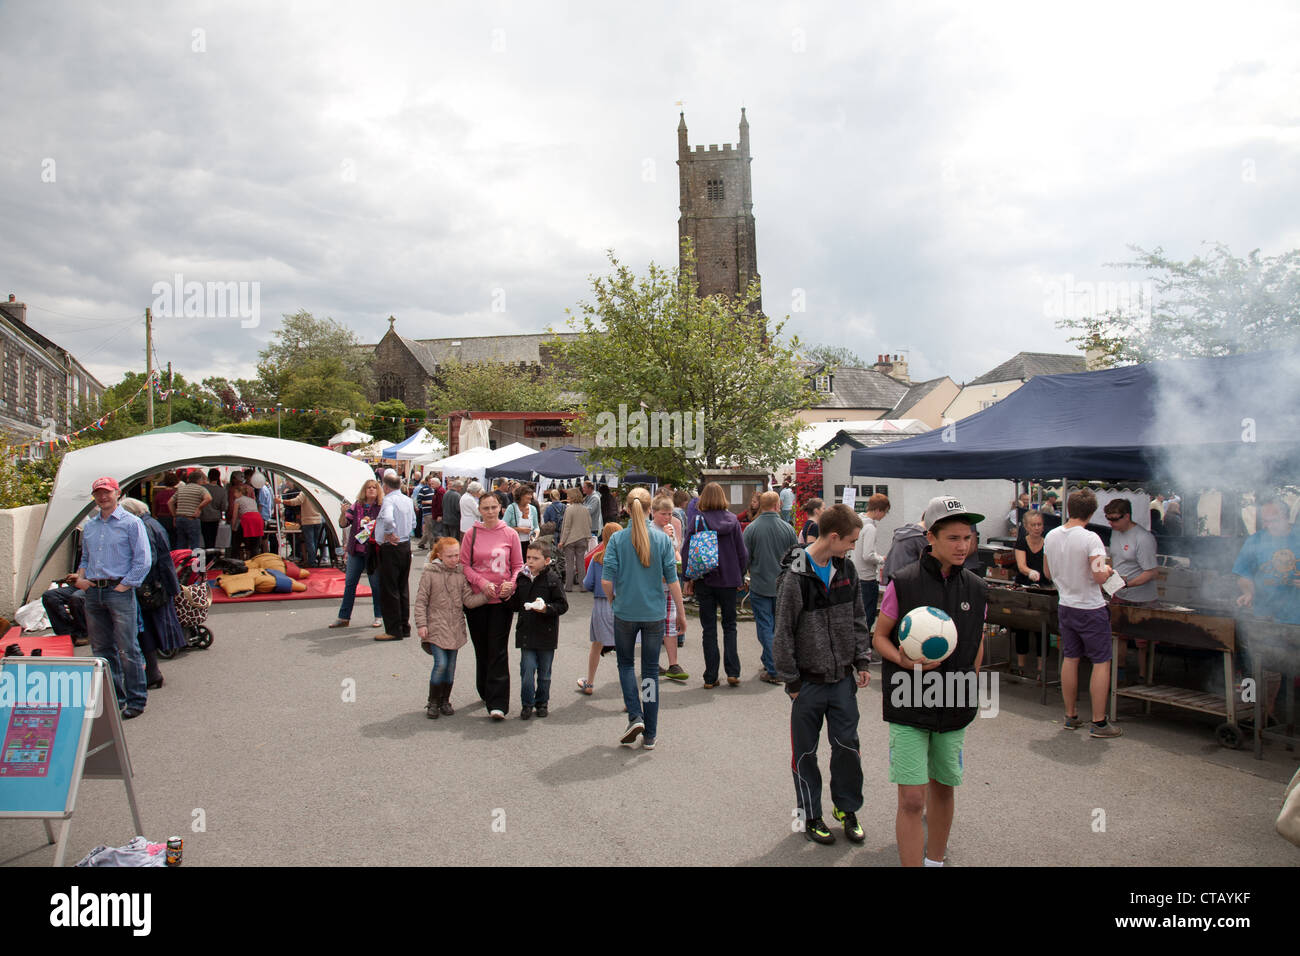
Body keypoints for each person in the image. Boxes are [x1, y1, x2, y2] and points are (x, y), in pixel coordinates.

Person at [872, 496, 987, 865]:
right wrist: (902, 660)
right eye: (953, 537)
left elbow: (977, 642)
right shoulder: (903, 584)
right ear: (931, 538)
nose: (962, 545)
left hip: (954, 702)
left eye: (967, 538)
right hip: (909, 702)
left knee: (944, 789)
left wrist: (971, 682)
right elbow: (879, 637)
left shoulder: (977, 588)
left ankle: (935, 861)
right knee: (911, 799)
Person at [774, 503, 871, 846]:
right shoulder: (795, 576)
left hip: (842, 679)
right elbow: (783, 631)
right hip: (808, 684)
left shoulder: (847, 570)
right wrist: (793, 682)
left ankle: (847, 809)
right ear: (833, 537)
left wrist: (861, 660)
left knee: (847, 747)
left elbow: (859, 617)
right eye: (851, 541)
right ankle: (810, 814)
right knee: (805, 754)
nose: (852, 547)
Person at [602, 488, 687, 748]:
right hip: (654, 614)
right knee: (650, 672)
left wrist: (613, 601)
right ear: (651, 508)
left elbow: (607, 580)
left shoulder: (617, 539)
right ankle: (650, 733)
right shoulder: (662, 540)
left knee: (626, 666)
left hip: (625, 612)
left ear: (626, 509)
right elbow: (673, 581)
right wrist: (681, 615)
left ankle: (634, 715)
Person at [1043, 489, 1121, 738]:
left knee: (1071, 658)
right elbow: (1099, 575)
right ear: (1091, 512)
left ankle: (1070, 715)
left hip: (1065, 604)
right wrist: (1108, 570)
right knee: (1100, 662)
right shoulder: (1091, 539)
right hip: (1090, 607)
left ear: (1068, 509)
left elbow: (1047, 572)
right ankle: (1099, 722)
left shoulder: (1051, 535)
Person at [74, 477, 152, 719]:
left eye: (107, 492)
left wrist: (125, 585)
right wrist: (81, 579)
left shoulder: (131, 523)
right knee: (101, 649)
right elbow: (85, 558)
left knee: (128, 648)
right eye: (98, 493)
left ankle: (136, 700)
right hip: (93, 592)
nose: (103, 497)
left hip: (118, 590)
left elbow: (143, 560)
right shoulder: (90, 526)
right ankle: (115, 700)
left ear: (117, 493)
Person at [461, 490, 524, 719]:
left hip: (501, 601)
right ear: (479, 510)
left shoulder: (510, 534)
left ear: (501, 508)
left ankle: (498, 703)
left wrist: (512, 584)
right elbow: (465, 565)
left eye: (493, 507)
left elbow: (518, 565)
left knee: (497, 650)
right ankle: (485, 689)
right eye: (485, 508)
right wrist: (481, 581)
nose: (489, 512)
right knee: (482, 648)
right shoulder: (471, 534)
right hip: (478, 600)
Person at [681, 482, 749, 688]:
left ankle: (710, 677)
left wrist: (688, 578)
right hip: (728, 580)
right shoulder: (732, 521)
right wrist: (741, 575)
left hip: (705, 579)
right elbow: (742, 553)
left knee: (708, 629)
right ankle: (733, 672)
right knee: (730, 626)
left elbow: (687, 551)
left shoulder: (697, 520)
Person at [414, 537, 488, 718]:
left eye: (457, 555)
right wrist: (422, 624)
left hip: (455, 626)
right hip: (436, 626)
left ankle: (445, 700)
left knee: (451, 666)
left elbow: (468, 601)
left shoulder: (460, 574)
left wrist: (487, 595)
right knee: (441, 664)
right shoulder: (429, 574)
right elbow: (421, 601)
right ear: (439, 555)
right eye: (450, 556)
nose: (454, 559)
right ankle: (433, 701)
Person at [119, 497, 188, 688]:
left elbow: (148, 559)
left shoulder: (143, 526)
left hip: (149, 586)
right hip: (158, 583)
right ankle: (151, 671)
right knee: (151, 628)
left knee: (146, 630)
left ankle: (151, 672)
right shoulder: (152, 523)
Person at [508, 539, 569, 719]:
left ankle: (542, 702)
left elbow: (562, 605)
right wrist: (507, 595)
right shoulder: (522, 578)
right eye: (528, 557)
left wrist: (546, 609)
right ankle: (527, 703)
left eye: (535, 558)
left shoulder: (552, 579)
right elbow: (515, 605)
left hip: (546, 633)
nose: (531, 562)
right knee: (527, 671)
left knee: (544, 673)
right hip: (526, 632)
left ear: (547, 560)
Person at [744, 490, 798, 684]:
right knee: (779, 627)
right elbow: (796, 559)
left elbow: (745, 558)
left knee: (765, 626)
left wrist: (745, 574)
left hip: (759, 583)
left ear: (761, 505)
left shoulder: (751, 529)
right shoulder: (788, 528)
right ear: (777, 505)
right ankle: (774, 662)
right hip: (783, 584)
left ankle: (772, 665)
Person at [1104, 499, 1159, 681]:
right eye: (1108, 519)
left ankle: (1145, 677)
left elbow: (1151, 572)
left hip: (1142, 597)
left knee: (1144, 641)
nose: (1111, 523)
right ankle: (1119, 675)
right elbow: (1114, 559)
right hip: (1119, 593)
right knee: (1118, 635)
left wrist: (1129, 583)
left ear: (1127, 516)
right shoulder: (1115, 532)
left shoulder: (1143, 538)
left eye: (1115, 519)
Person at [332, 479, 385, 629]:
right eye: (368, 487)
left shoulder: (381, 507)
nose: (371, 490)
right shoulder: (357, 505)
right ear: (364, 490)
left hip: (373, 551)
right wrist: (343, 513)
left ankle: (378, 616)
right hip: (356, 550)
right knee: (350, 584)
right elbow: (343, 524)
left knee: (375, 585)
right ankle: (343, 617)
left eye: (374, 487)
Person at [578, 522, 622, 695]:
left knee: (596, 645)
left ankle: (589, 683)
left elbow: (588, 583)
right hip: (622, 604)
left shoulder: (598, 559)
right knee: (624, 651)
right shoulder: (626, 559)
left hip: (601, 605)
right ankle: (628, 691)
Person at [374, 473, 416, 642]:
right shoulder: (407, 499)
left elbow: (388, 518)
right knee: (402, 587)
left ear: (385, 486)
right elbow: (413, 522)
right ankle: (404, 626)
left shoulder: (389, 500)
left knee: (390, 588)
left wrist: (389, 533)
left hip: (392, 547)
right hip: (405, 544)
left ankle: (393, 629)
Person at [650, 494, 689, 681]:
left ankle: (673, 664)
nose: (667, 518)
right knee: (654, 625)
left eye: (670, 514)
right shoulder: (649, 530)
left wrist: (676, 553)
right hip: (654, 584)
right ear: (653, 513)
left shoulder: (671, 527)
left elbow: (674, 551)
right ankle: (652, 663)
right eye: (664, 514)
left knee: (670, 623)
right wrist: (664, 538)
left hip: (670, 582)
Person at [1009, 509, 1052, 677]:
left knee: (1043, 630)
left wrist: (1047, 577)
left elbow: (1048, 568)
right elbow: (1021, 565)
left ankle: (1042, 669)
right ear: (1026, 526)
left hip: (1043, 588)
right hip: (1024, 585)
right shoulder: (1021, 542)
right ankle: (1021, 665)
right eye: (1033, 525)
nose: (1037, 527)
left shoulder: (1048, 542)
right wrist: (1030, 572)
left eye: (1039, 524)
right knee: (1022, 627)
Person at [851, 493, 890, 634]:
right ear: (879, 510)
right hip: (867, 577)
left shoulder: (858, 522)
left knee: (858, 613)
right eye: (885, 512)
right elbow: (867, 555)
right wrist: (882, 559)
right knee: (868, 614)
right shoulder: (870, 528)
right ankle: (863, 646)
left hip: (856, 573)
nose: (884, 516)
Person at [281, 485, 323, 568]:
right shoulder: (318, 492)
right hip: (318, 520)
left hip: (308, 521)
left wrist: (282, 501)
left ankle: (311, 562)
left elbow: (295, 501)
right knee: (314, 542)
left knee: (310, 542)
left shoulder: (305, 493)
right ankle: (313, 559)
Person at [559, 486, 592, 591]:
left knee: (569, 563)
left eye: (569, 495)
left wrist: (562, 541)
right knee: (580, 563)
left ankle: (568, 586)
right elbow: (590, 524)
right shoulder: (585, 509)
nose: (567, 497)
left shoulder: (569, 509)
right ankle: (583, 586)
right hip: (582, 538)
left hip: (570, 540)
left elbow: (567, 527)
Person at [41, 575, 88, 646]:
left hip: (96, 587)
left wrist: (80, 576)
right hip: (80, 586)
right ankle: (67, 633)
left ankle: (83, 633)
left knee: (76, 598)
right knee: (49, 596)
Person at [882, 513, 928, 583]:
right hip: (906, 581)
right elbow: (927, 563)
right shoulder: (920, 536)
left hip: (892, 576)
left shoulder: (903, 532)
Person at [504, 484, 541, 562]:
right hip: (514, 544)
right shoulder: (512, 508)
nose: (531, 496)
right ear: (521, 496)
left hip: (529, 545)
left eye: (531, 494)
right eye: (528, 494)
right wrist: (520, 529)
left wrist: (535, 536)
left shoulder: (533, 509)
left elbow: (536, 527)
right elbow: (504, 526)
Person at [200, 468, 227, 550]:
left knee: (205, 538)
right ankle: (211, 556)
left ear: (208, 477)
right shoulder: (222, 491)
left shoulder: (202, 488)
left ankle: (207, 555)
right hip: (215, 517)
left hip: (203, 517)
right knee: (213, 539)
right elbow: (224, 507)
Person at [151, 471, 179, 546]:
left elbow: (155, 506)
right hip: (172, 518)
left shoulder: (159, 494)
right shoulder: (176, 493)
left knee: (164, 539)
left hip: (161, 518)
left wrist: (155, 515)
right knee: (174, 539)